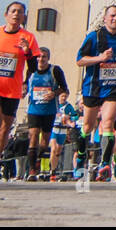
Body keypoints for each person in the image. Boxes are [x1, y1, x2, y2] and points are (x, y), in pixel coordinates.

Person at [0, 0, 41, 184]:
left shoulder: (28, 38)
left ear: (24, 17)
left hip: (12, 88)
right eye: (13, 11)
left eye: (20, 12)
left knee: (5, 129)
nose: (16, 14)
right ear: (6, 14)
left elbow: (34, 66)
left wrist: (27, 51)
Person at [75, 4, 116, 182]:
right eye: (112, 16)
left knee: (108, 123)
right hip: (93, 87)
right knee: (88, 126)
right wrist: (100, 58)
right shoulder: (94, 37)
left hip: (113, 87)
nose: (115, 19)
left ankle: (105, 164)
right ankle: (80, 157)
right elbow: (79, 61)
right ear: (105, 18)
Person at [25, 48, 68, 180]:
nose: (40, 60)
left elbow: (65, 89)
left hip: (49, 110)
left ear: (48, 58)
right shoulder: (31, 71)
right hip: (33, 109)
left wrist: (54, 93)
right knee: (33, 136)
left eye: (43, 57)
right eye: (38, 57)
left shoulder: (55, 70)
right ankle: (32, 170)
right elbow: (25, 85)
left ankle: (38, 158)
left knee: (44, 140)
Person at [51, 91, 77, 178]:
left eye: (65, 96)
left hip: (63, 130)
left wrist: (69, 117)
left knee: (58, 151)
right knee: (53, 149)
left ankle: (54, 168)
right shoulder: (54, 104)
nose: (63, 98)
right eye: (62, 96)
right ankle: (52, 170)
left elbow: (75, 116)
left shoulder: (68, 106)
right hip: (54, 128)